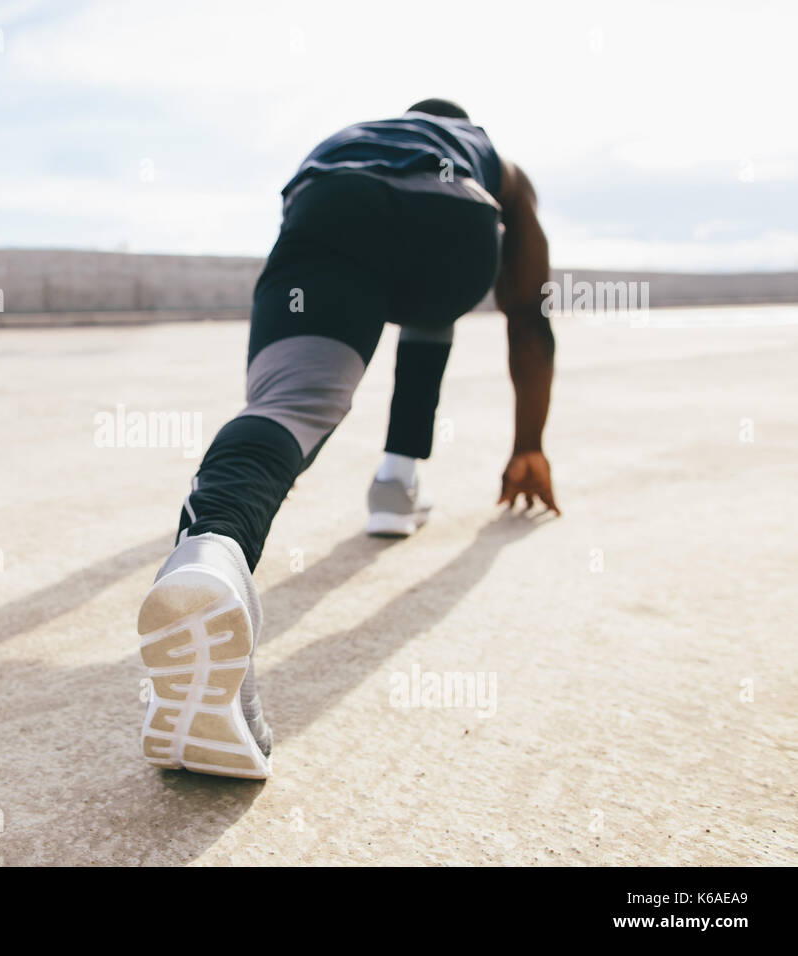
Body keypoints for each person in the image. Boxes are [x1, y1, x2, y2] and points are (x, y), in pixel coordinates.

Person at [136, 98, 559, 779]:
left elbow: (314, 230)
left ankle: (210, 556)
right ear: (465, 127)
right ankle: (395, 483)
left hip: (333, 203)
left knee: (292, 402)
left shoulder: (350, 137)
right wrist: (528, 445)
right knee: (431, 307)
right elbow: (530, 315)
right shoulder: (496, 161)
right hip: (456, 227)